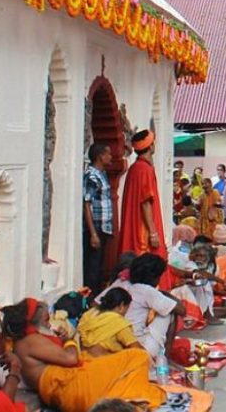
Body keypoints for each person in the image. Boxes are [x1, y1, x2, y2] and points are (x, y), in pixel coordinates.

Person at [2, 298, 168, 412]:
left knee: (123, 364)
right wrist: (69, 341)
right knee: (136, 356)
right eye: (46, 319)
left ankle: (128, 398)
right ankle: (130, 398)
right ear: (35, 321)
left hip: (66, 384)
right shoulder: (30, 340)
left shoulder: (28, 340)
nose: (49, 323)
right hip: (69, 387)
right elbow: (70, 358)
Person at [117, 130, 168, 277]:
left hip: (135, 224)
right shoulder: (145, 169)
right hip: (142, 230)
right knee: (146, 267)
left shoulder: (135, 168)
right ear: (150, 146)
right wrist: (153, 233)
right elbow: (145, 202)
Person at [116, 252, 184, 360]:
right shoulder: (147, 290)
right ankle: (164, 360)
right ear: (154, 277)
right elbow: (182, 310)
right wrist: (165, 293)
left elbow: (95, 303)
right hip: (139, 348)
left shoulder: (120, 282)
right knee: (170, 312)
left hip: (115, 344)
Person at [82, 143, 114, 293]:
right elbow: (86, 203)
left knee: (100, 266)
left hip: (104, 226)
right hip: (95, 227)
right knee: (93, 269)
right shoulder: (92, 175)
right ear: (100, 156)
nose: (110, 157)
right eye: (107, 153)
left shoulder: (102, 174)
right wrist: (93, 233)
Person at [77, 288, 139, 357]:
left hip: (84, 361)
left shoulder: (89, 314)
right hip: (106, 363)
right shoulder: (118, 321)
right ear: (121, 305)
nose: (126, 312)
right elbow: (137, 348)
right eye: (127, 308)